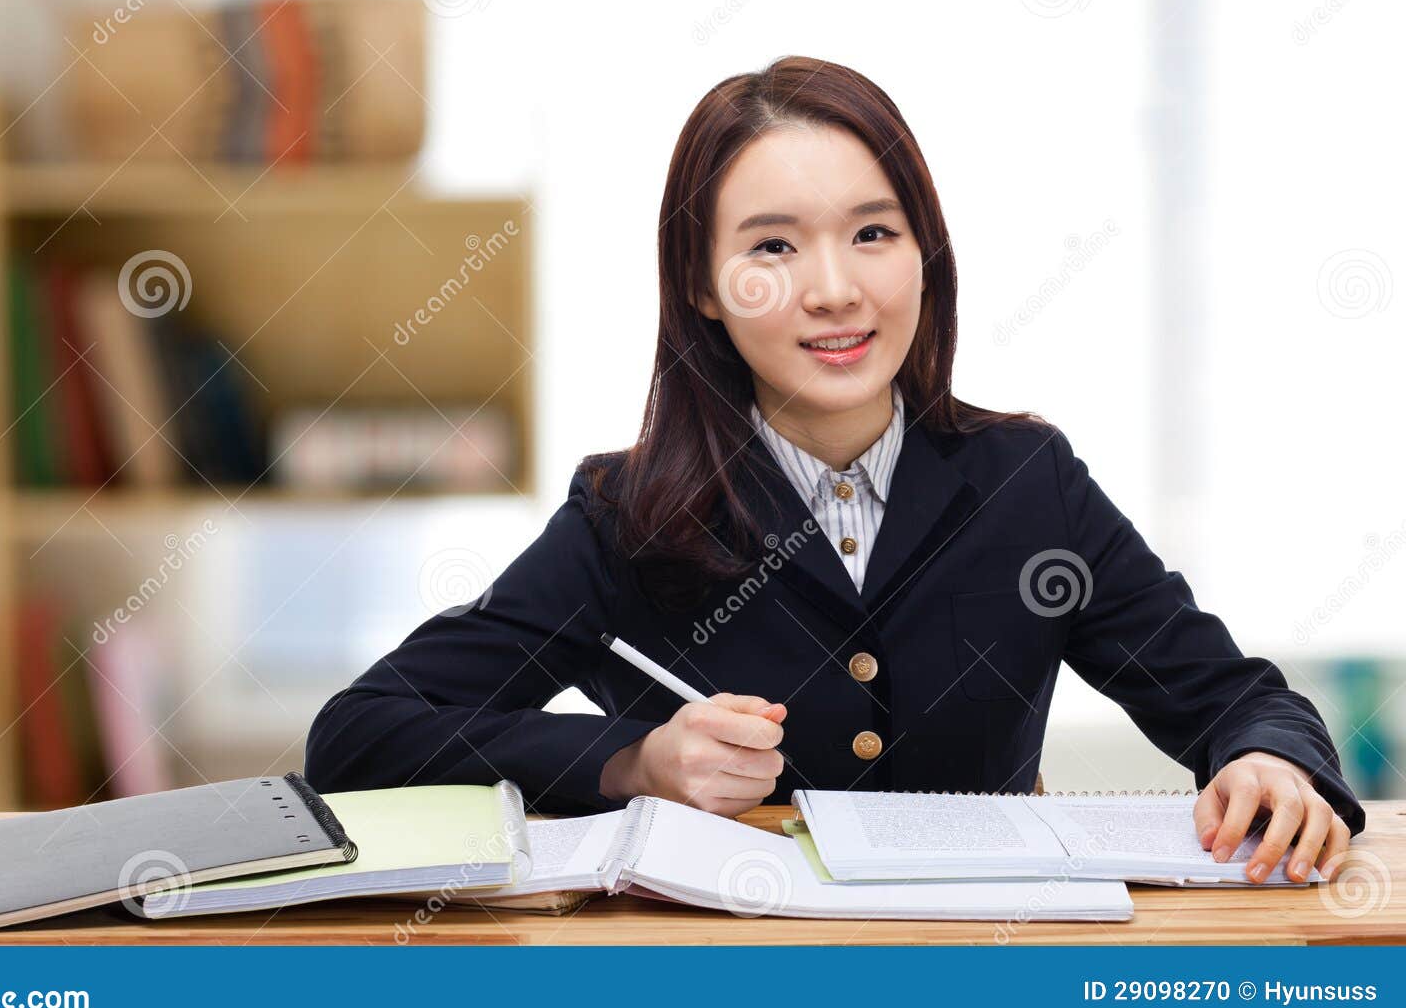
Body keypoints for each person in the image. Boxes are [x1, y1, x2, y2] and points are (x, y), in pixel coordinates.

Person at [306, 55, 1361, 884]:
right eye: (772, 247)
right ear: (703, 286)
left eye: (872, 232)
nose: (834, 288)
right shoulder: (624, 514)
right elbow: (359, 735)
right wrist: (634, 762)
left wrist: (1266, 759)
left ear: (923, 256)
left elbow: (1237, 698)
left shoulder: (1025, 481)